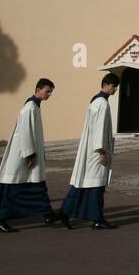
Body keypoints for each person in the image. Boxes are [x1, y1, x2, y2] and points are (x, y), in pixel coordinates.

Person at [0, 78, 68, 233]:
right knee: (19, 189)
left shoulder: (34, 106)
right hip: (23, 158)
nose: (49, 94)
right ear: (38, 89)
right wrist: (29, 155)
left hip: (28, 156)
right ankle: (1, 220)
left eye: (50, 92)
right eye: (47, 91)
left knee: (35, 186)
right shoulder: (29, 108)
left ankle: (47, 214)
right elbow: (25, 133)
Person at [60, 73, 119, 229]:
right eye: (113, 86)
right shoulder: (103, 104)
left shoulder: (95, 101)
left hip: (90, 148)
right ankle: (96, 218)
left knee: (83, 182)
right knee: (96, 185)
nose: (115, 89)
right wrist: (102, 151)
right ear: (105, 84)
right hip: (96, 150)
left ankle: (66, 212)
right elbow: (99, 128)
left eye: (116, 87)